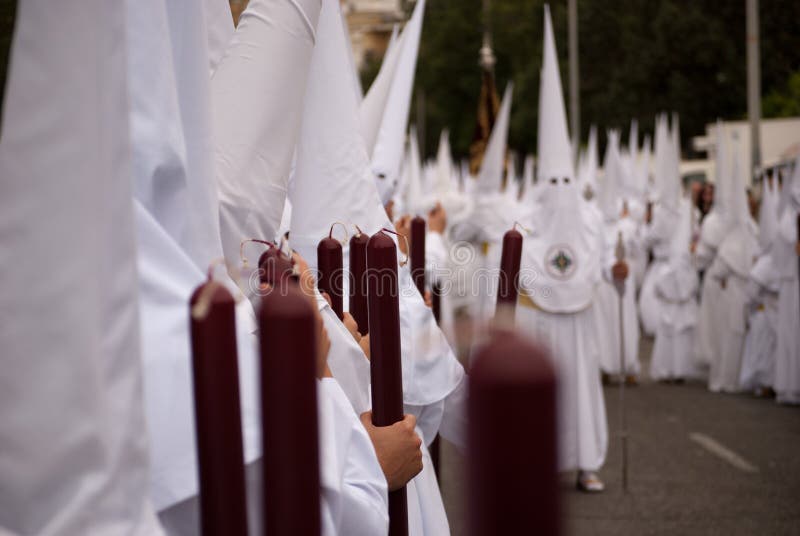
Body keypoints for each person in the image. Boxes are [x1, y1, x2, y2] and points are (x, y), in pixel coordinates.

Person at [516, 6, 614, 492]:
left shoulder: (590, 218)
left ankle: (586, 462)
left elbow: (599, 259)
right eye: (551, 180)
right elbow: (509, 263)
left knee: (580, 390)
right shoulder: (525, 216)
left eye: (565, 180)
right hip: (538, 319)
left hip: (578, 323)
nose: (558, 188)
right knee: (541, 391)